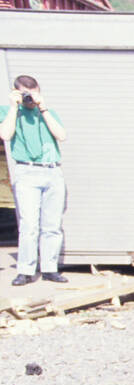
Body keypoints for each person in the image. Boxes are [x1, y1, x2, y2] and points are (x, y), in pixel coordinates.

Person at [0, 75, 69, 286]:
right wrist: (14, 107)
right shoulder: (9, 111)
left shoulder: (47, 112)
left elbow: (62, 135)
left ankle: (50, 268)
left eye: (33, 93)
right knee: (29, 225)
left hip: (52, 171)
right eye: (25, 94)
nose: (30, 98)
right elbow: (5, 134)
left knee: (52, 225)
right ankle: (25, 271)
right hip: (27, 171)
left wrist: (44, 109)